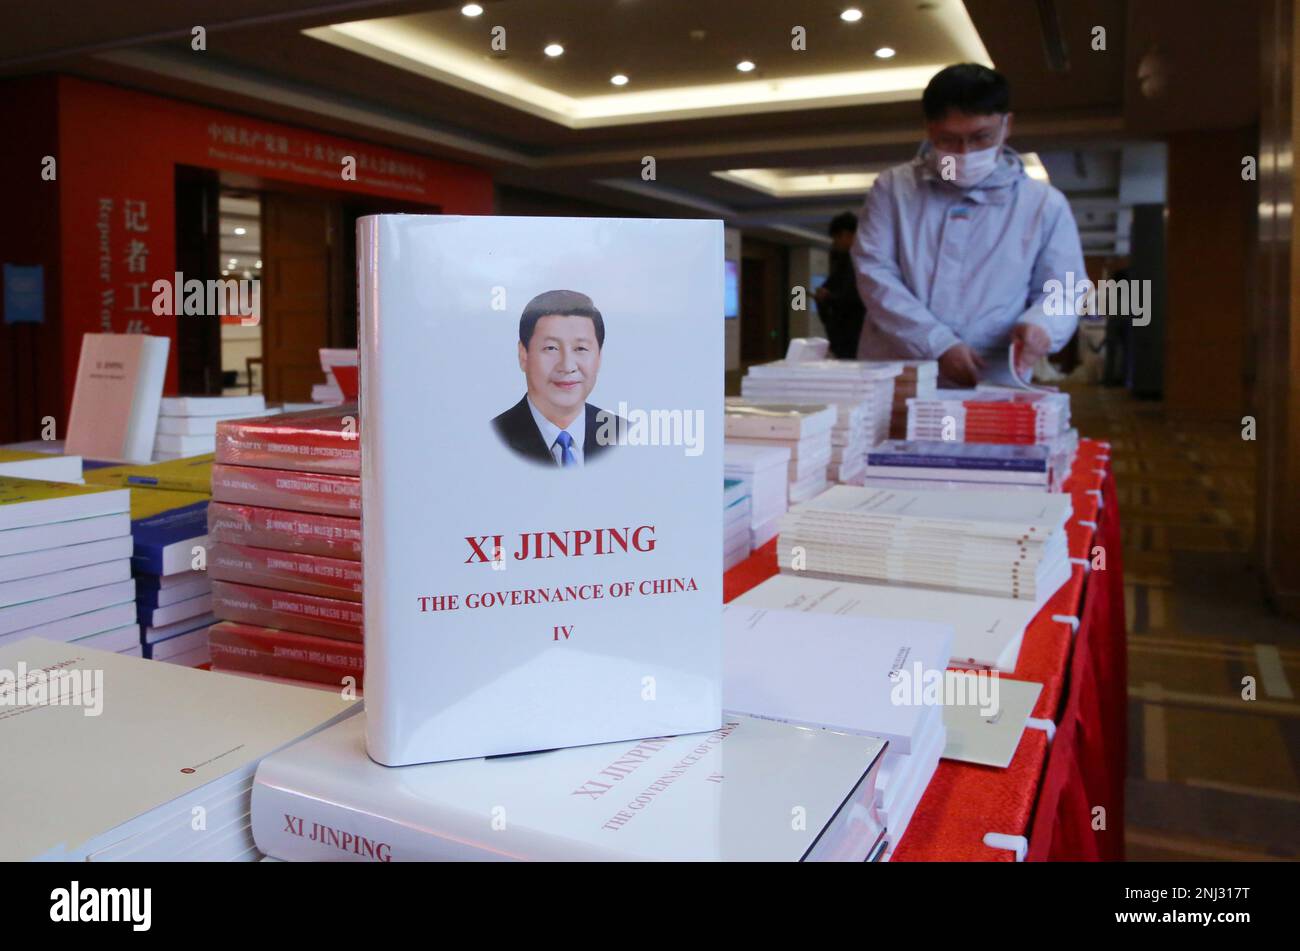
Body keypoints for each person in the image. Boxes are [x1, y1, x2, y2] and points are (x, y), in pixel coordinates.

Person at [852, 63, 1085, 386]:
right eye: (949, 140)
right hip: (900, 370)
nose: (965, 152)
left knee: (987, 434)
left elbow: (1064, 288)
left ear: (1007, 126)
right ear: (931, 130)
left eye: (981, 137)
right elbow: (874, 274)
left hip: (994, 371)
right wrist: (937, 343)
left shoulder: (1044, 204)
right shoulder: (893, 189)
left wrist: (1044, 324)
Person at [491, 289, 620, 468]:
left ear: (599, 357)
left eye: (580, 349)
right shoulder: (495, 436)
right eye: (551, 348)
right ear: (523, 355)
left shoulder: (623, 434)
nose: (567, 366)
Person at [814, 212, 867, 359]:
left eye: (836, 238)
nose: (834, 243)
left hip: (854, 337)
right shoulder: (845, 263)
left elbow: (856, 298)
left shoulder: (860, 262)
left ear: (846, 235)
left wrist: (828, 297)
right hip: (847, 339)